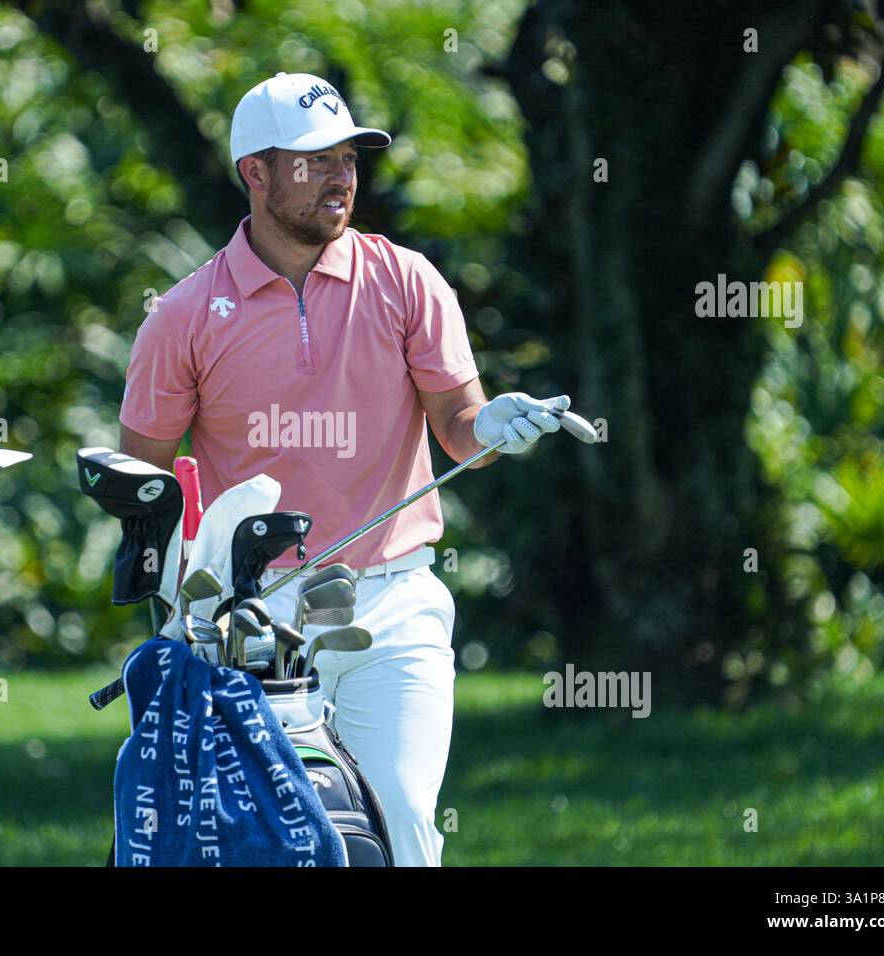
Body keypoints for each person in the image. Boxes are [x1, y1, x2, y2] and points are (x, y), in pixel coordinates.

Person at [118, 73, 568, 866]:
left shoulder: (407, 281)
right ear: (254, 172)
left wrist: (492, 424)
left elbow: (459, 426)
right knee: (257, 836)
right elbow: (142, 479)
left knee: (402, 825)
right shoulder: (184, 316)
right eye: (313, 160)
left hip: (393, 605)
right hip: (252, 619)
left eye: (349, 157)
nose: (341, 177)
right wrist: (182, 586)